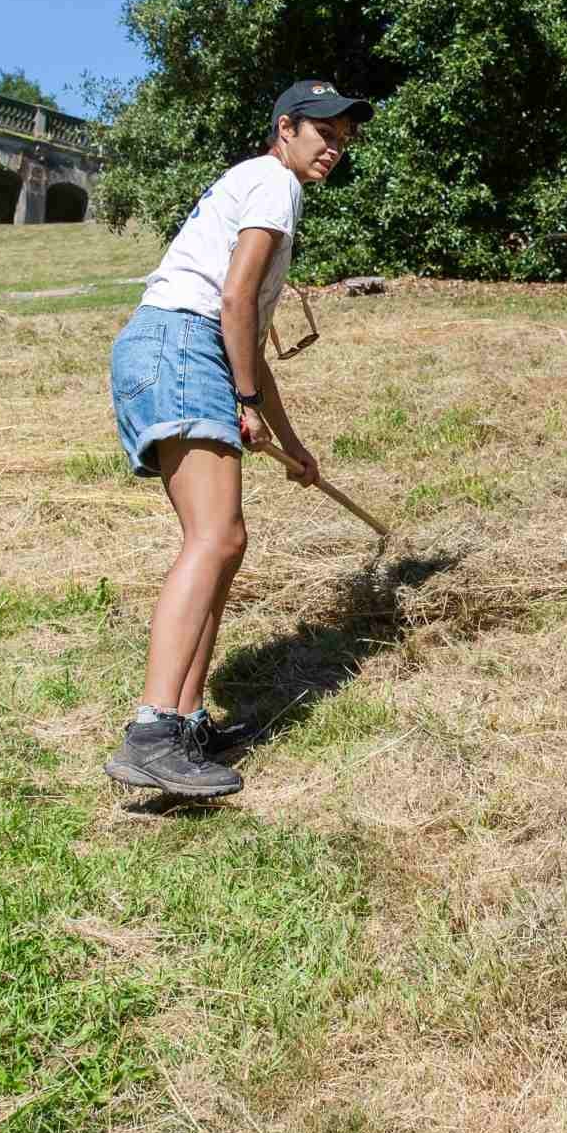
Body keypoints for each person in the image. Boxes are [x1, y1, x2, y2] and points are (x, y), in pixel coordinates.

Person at [103, 79, 369, 799]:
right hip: (181, 346)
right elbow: (232, 302)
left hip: (180, 350)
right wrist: (244, 399)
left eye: (344, 140)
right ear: (285, 128)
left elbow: (245, 331)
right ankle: (153, 731)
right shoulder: (272, 183)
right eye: (324, 134)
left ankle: (187, 721)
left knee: (227, 536)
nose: (335, 149)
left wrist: (291, 440)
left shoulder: (259, 184)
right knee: (213, 537)